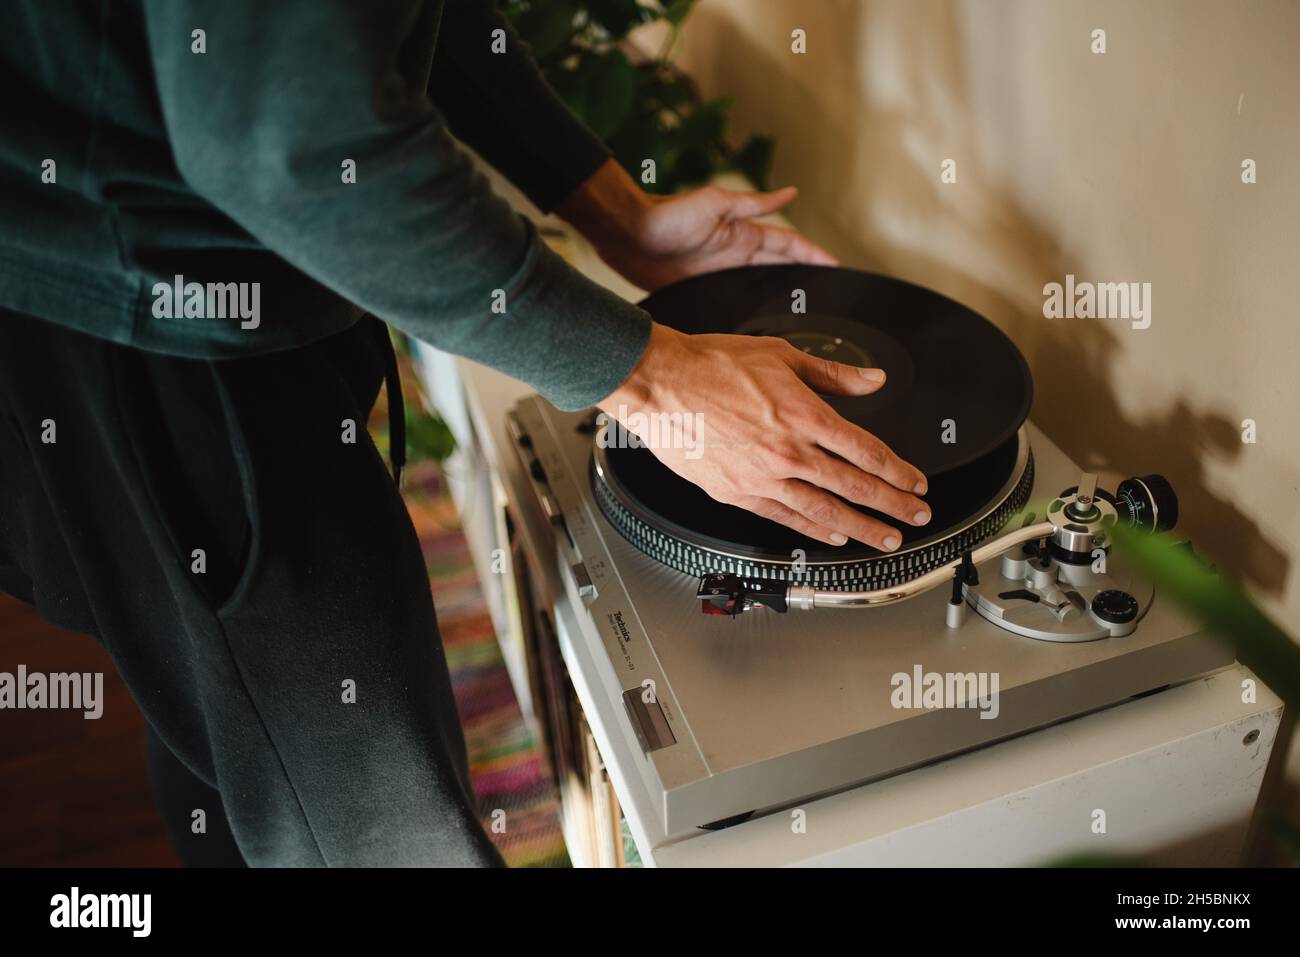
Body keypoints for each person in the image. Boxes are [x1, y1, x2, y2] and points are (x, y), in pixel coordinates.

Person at [0, 0, 931, 866]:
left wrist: (620, 215)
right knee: (379, 826)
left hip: (179, 289)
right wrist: (657, 378)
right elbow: (296, 148)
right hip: (149, 335)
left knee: (222, 708)